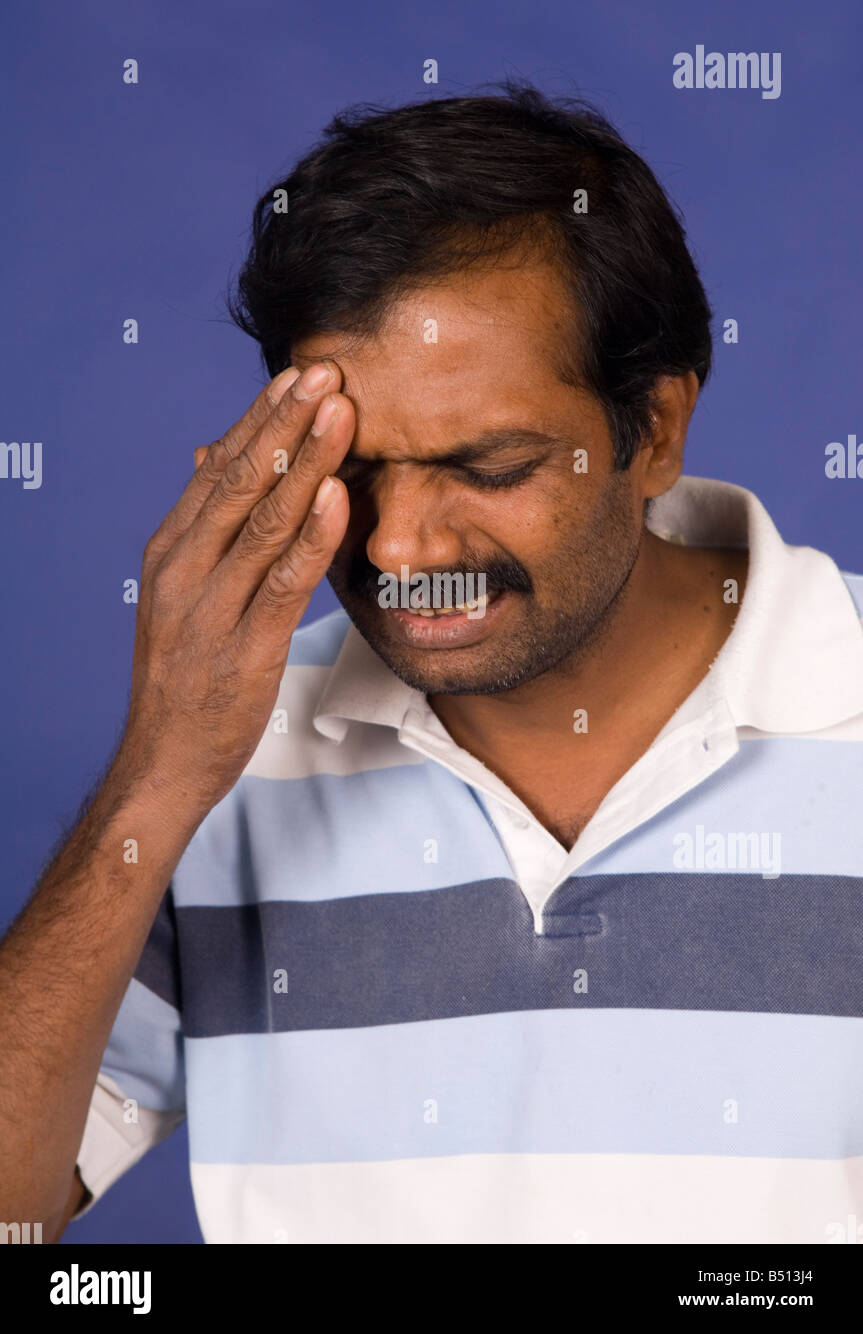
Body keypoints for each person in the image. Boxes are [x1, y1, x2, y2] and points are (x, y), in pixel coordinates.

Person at [2, 81, 861, 1245]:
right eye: (351, 473)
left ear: (651, 430)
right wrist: (155, 777)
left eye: (487, 466)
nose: (401, 547)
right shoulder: (224, 764)